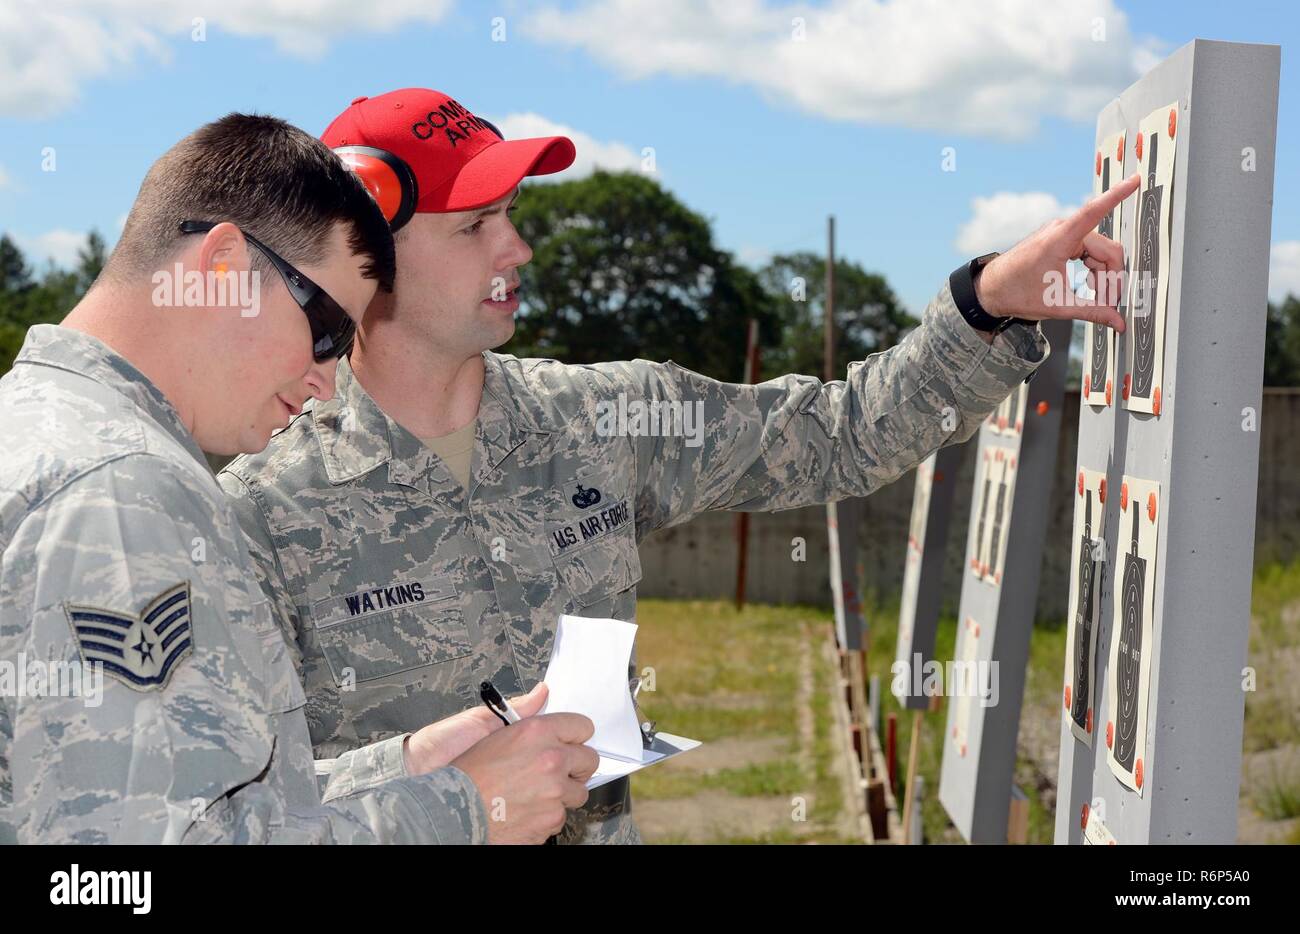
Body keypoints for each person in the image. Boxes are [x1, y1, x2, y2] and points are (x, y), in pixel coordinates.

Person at [219, 87, 1136, 844]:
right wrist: (439, 787)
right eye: (475, 228)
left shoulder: (605, 419)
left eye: (513, 217)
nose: (520, 248)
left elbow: (843, 433)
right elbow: (232, 811)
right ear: (362, 256)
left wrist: (986, 305)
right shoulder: (257, 513)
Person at [0, 112, 596, 844]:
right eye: (325, 330)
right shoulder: (121, 493)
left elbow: (200, 806)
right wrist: (465, 810)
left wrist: (408, 770)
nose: (324, 380)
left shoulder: (43, 429)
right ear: (222, 268)